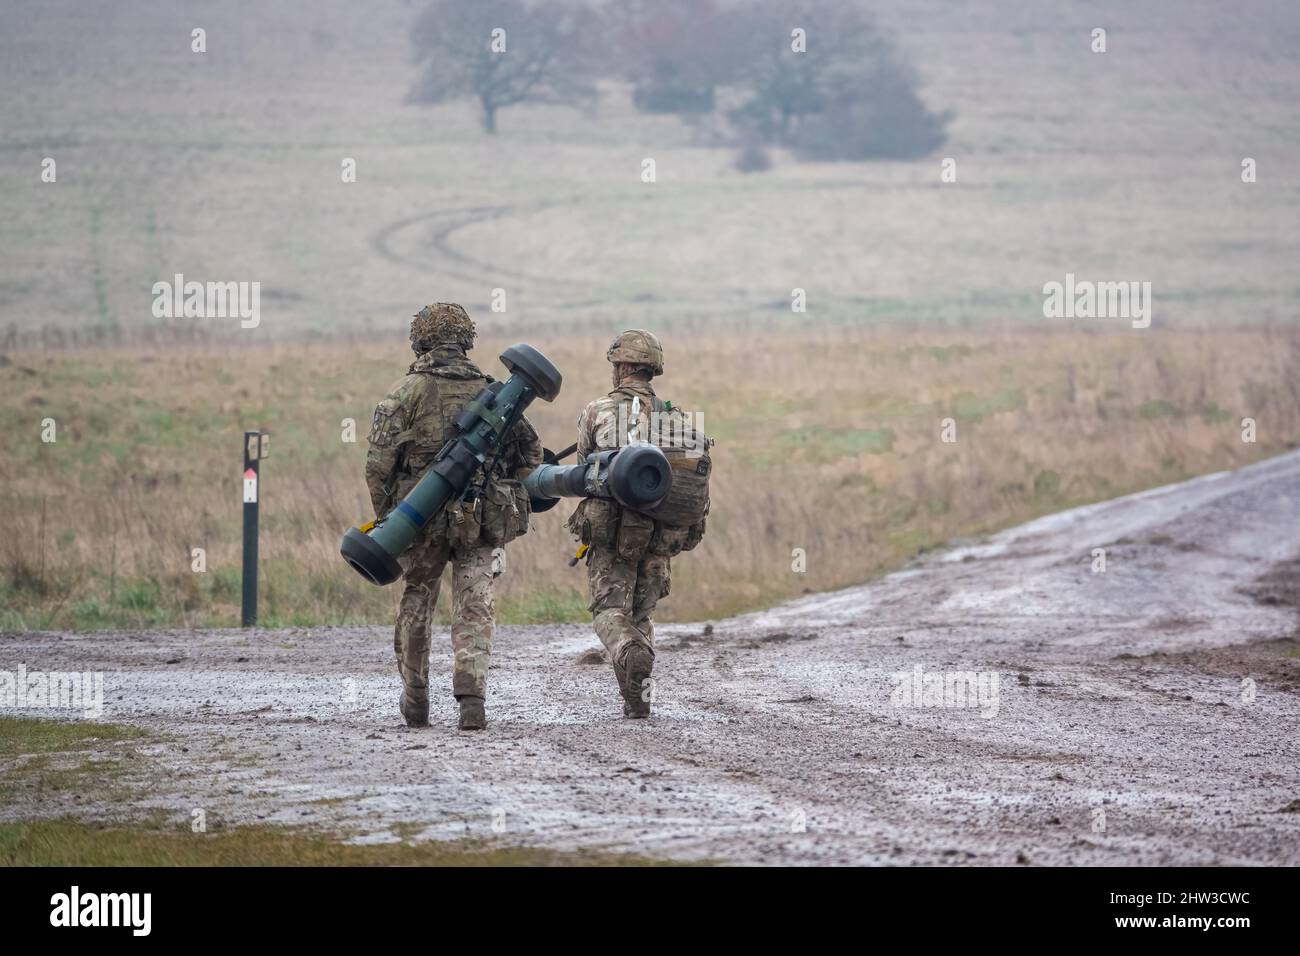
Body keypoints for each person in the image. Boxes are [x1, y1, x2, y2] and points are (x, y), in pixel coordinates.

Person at [365, 303, 542, 730]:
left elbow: (377, 465)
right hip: (480, 518)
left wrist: (391, 519)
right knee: (475, 603)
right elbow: (530, 455)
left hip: (418, 520)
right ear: (467, 340)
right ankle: (471, 698)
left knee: (417, 599)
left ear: (420, 339)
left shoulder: (404, 393)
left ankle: (416, 694)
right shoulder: (495, 393)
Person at [568, 330, 707, 718]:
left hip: (612, 532)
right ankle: (638, 701)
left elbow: (583, 472)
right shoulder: (675, 419)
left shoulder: (597, 411)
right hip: (661, 534)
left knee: (610, 613)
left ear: (622, 366)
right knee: (642, 616)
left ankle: (630, 652)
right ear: (651, 369)